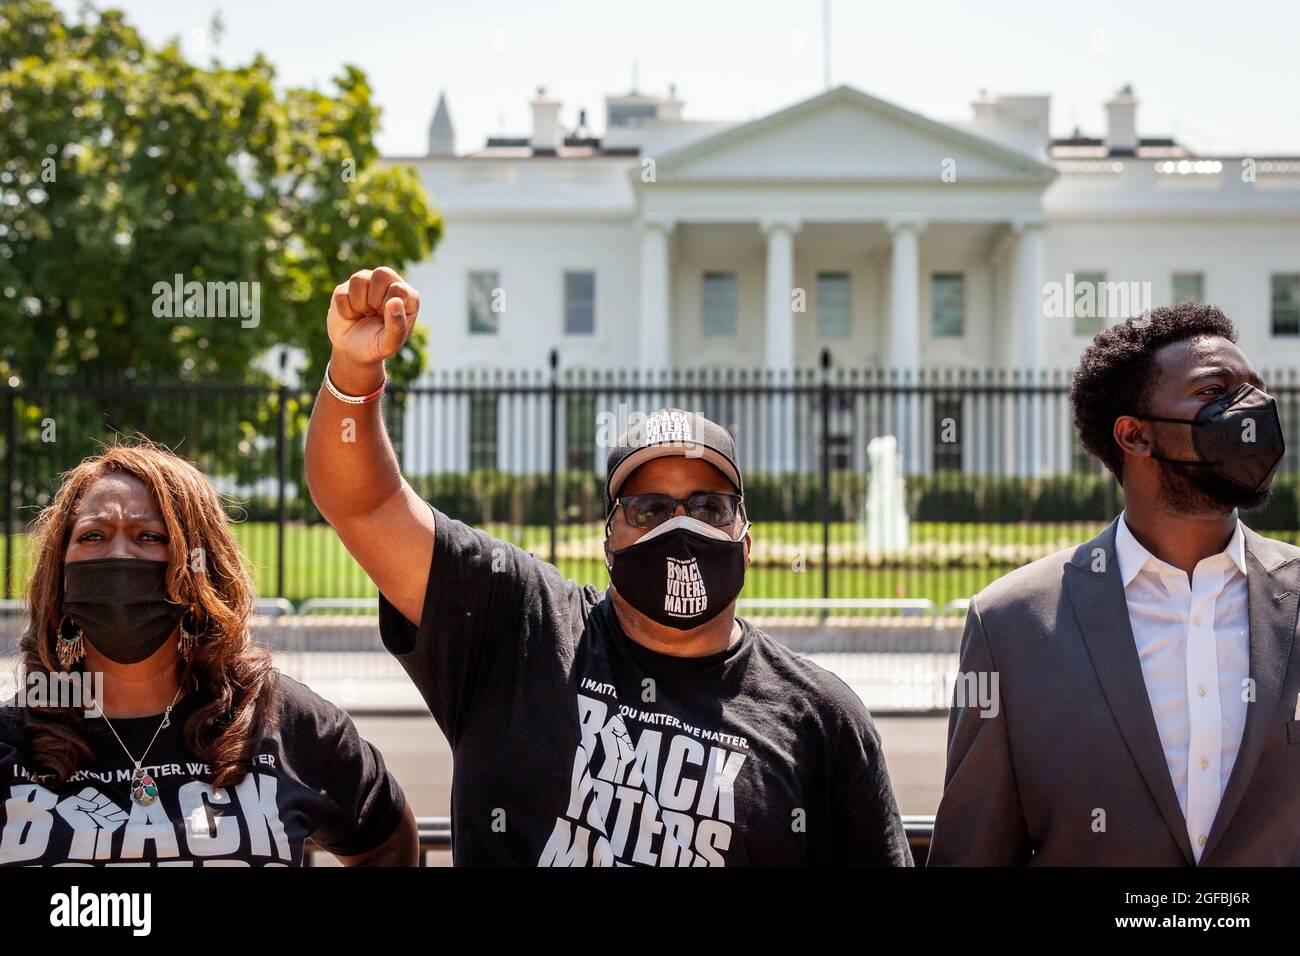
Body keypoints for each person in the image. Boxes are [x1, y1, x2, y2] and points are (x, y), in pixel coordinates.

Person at [304, 266, 912, 866]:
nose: (681, 525)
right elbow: (367, 505)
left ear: (746, 540)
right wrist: (355, 374)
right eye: (648, 509)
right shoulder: (518, 629)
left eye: (709, 506)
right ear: (609, 539)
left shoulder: (821, 721)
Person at [929, 303, 1300, 866]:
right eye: (1214, 390)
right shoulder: (1012, 625)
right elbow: (976, 852)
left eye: (1255, 388)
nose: (1250, 410)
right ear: (1134, 435)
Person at [0, 442, 416, 866]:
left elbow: (389, 844)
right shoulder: (11, 739)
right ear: (61, 572)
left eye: (149, 536)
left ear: (199, 567)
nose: (119, 555)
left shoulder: (286, 723)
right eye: (93, 536)